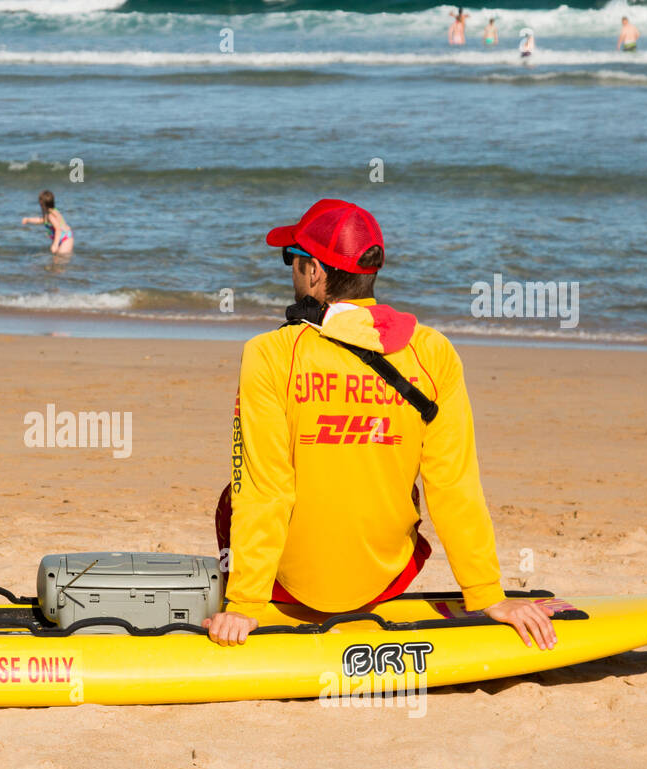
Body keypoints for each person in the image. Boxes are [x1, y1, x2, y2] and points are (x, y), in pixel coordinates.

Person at [204, 199, 558, 651]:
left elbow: (264, 487)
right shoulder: (434, 352)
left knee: (235, 493)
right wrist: (488, 594)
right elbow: (454, 485)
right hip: (385, 579)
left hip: (288, 586)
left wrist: (245, 603)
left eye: (291, 259)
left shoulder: (269, 353)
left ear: (314, 271)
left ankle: (262, 594)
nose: (291, 271)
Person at [20, 190, 75, 255]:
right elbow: (41, 220)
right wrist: (28, 220)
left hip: (65, 238)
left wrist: (55, 244)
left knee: (61, 259)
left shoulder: (51, 215)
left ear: (42, 204)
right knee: (57, 260)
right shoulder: (51, 211)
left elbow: (58, 229)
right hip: (61, 237)